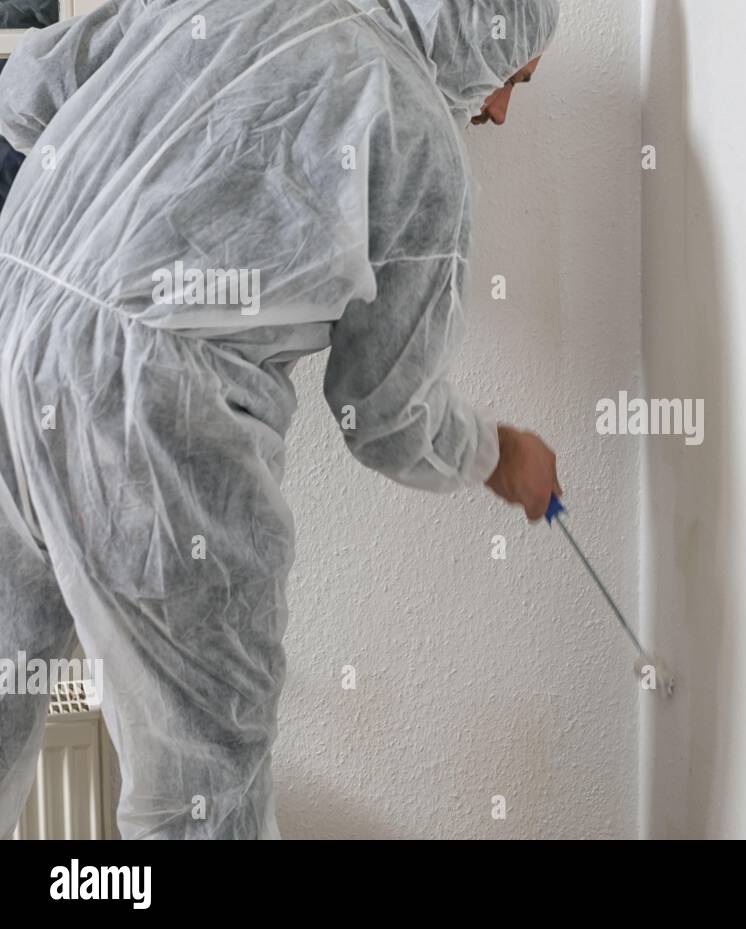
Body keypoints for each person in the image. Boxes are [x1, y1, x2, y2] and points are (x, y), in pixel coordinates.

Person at [0, 0, 562, 839]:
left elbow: (25, 87)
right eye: (517, 77)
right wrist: (498, 453)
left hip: (12, 323)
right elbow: (384, 416)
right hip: (151, 417)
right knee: (204, 782)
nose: (502, 108)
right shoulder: (417, 135)